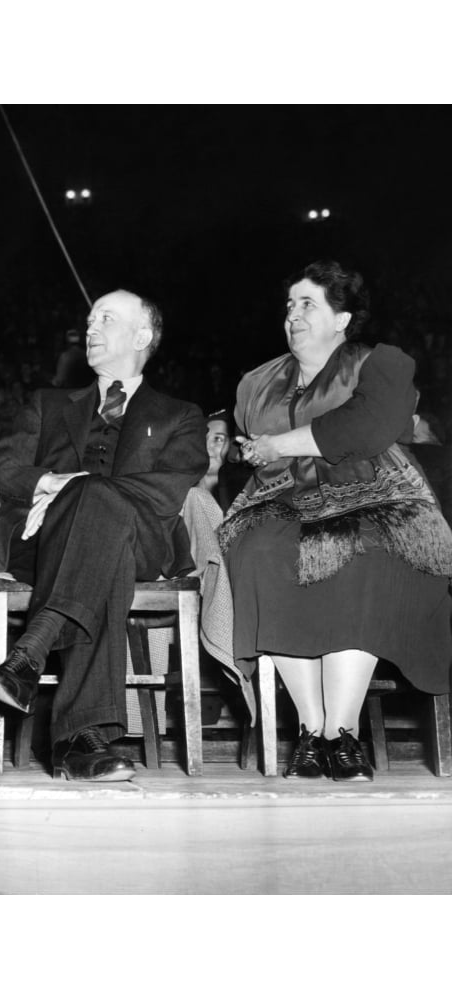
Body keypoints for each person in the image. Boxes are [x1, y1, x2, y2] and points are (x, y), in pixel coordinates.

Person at [219, 260, 452, 781]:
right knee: (258, 552)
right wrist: (249, 453)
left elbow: (367, 428)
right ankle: (310, 728)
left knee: (360, 554)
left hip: (372, 493)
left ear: (342, 319)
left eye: (308, 304)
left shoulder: (381, 363)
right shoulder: (257, 381)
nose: (293, 315)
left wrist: (277, 443)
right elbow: (248, 443)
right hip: (281, 498)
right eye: (289, 305)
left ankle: (342, 732)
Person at [0, 289, 207, 781]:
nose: (90, 328)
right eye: (89, 319)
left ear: (142, 336)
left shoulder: (179, 415)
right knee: (102, 553)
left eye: (106, 318)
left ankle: (27, 656)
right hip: (42, 545)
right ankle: (82, 739)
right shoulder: (50, 403)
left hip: (141, 542)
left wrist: (87, 490)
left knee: (99, 505)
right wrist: (48, 482)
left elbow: (165, 494)